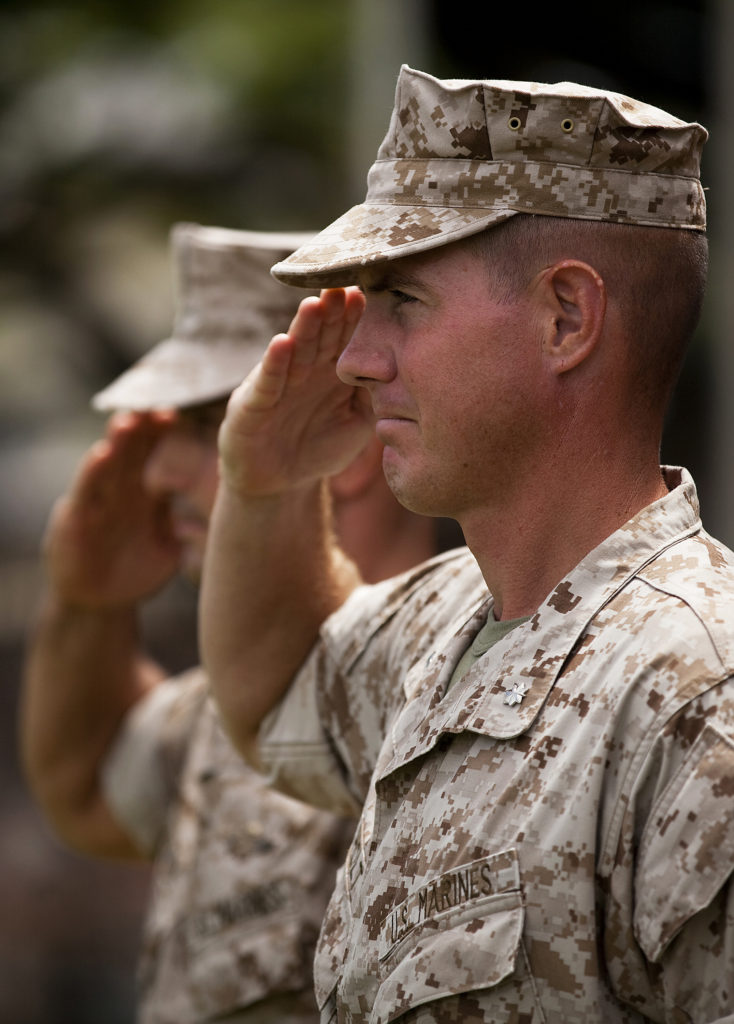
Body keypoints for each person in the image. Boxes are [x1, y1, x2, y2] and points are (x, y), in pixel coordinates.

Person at [200, 68, 734, 1022]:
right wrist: (267, 487)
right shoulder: (452, 626)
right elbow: (270, 692)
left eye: (402, 298)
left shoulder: (697, 699)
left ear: (565, 318)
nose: (358, 358)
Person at [20, 221, 452, 1024]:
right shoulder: (231, 703)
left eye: (203, 423)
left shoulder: (455, 693)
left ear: (344, 434)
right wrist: (90, 605)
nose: (158, 471)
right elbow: (82, 785)